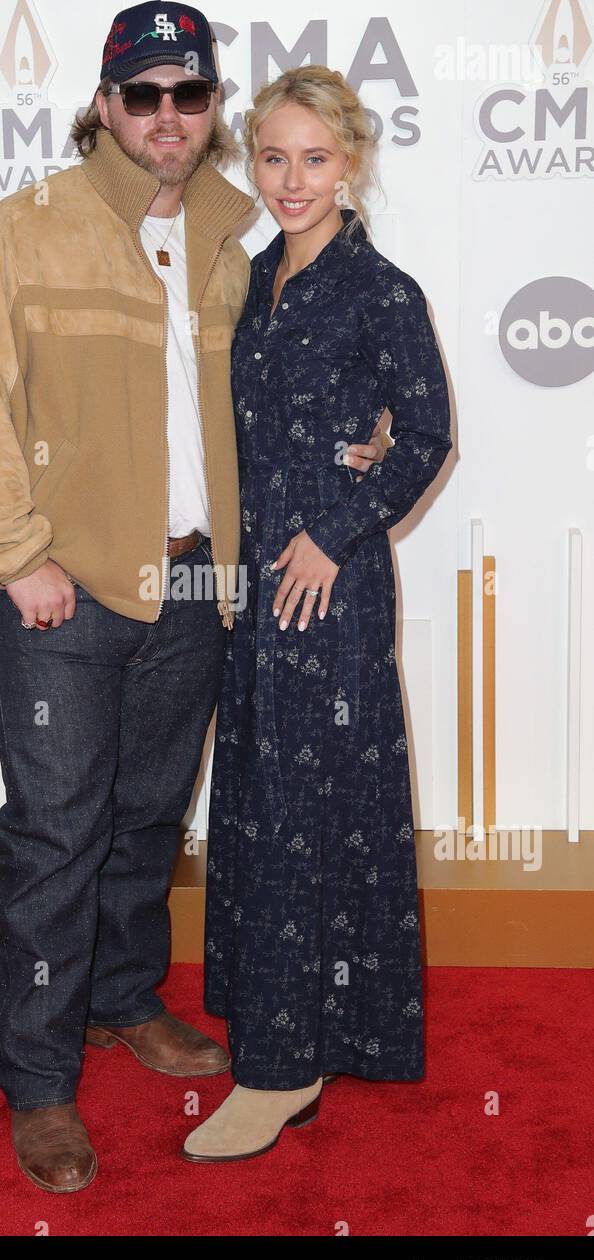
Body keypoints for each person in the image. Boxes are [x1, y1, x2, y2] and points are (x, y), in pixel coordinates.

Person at [0, 2, 387, 1194]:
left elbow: (294, 392)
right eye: (144, 96)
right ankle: (36, 1083)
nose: (168, 117)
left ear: (213, 109)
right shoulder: (19, 235)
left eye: (190, 96)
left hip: (193, 579)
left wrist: (368, 445)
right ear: (103, 103)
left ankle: (124, 1000)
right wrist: (11, 553)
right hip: (60, 584)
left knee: (143, 819)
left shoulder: (241, 236)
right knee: (55, 835)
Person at [183, 66, 453, 1163]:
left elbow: (426, 437)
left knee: (309, 799)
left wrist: (337, 527)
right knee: (263, 796)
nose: (292, 181)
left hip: (327, 590)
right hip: (250, 587)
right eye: (273, 158)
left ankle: (282, 1068)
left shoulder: (382, 291)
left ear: (352, 163)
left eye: (316, 158)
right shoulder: (242, 283)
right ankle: (317, 1023)